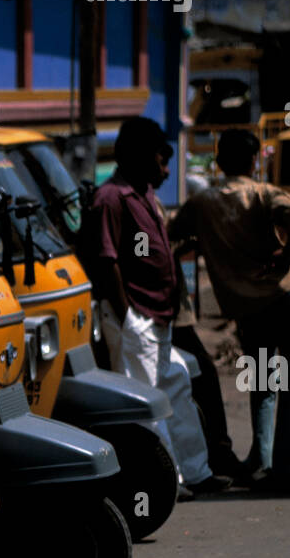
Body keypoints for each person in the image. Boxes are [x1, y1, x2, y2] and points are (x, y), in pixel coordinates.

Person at [85, 116, 229, 497]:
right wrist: (128, 317)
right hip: (135, 319)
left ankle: (195, 472)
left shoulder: (144, 193)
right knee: (145, 401)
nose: (166, 170)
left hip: (157, 318)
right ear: (138, 157)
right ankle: (164, 483)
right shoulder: (111, 198)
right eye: (160, 161)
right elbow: (106, 260)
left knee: (176, 386)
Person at [169, 128, 290, 490]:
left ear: (219, 161)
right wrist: (284, 258)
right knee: (275, 383)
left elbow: (170, 235)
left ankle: (266, 460)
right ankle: (272, 465)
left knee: (264, 383)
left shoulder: (202, 203)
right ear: (254, 162)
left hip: (247, 309)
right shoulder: (264, 194)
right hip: (281, 300)